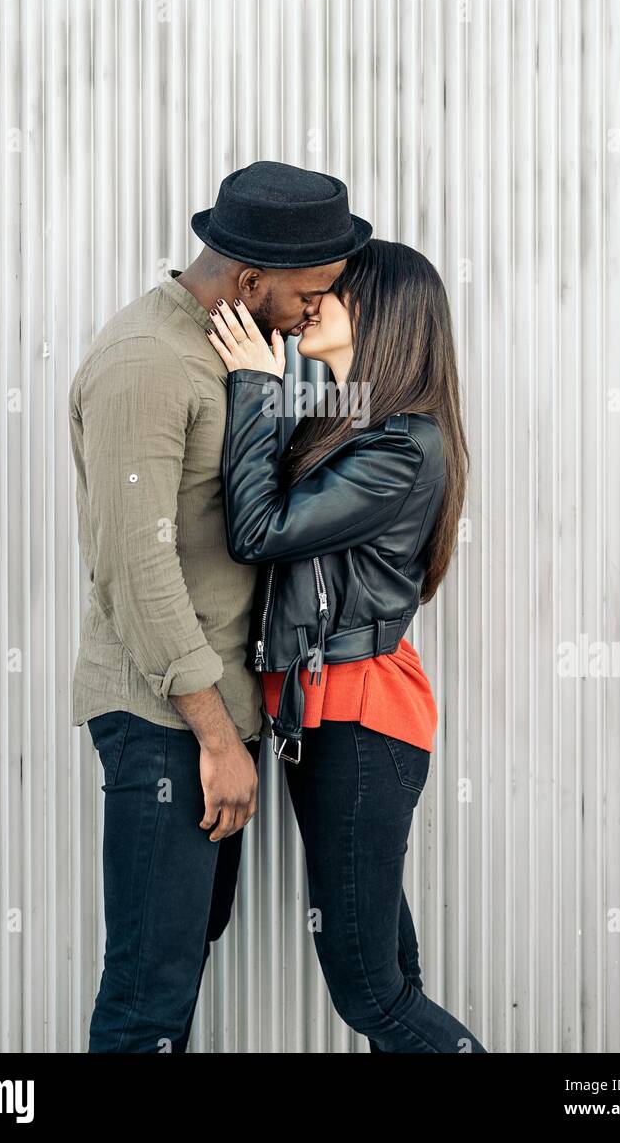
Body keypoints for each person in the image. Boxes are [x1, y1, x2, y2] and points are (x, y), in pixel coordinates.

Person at [69, 160, 372, 1051]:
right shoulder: (146, 365)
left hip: (214, 717)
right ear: (249, 281)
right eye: (309, 292)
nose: (316, 309)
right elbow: (136, 566)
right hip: (164, 717)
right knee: (147, 996)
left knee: (184, 958)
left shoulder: (232, 351)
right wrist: (210, 738)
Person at [206, 236, 488, 1053]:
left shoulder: (402, 446)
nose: (313, 299)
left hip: (363, 725)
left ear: (385, 314)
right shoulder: (356, 423)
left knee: (368, 991)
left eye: (337, 288)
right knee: (390, 973)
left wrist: (257, 387)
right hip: (328, 722)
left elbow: (261, 530)